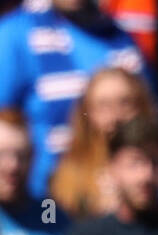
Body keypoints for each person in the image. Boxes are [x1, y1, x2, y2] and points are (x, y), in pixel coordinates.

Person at [0, 0, 148, 197]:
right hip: (44, 199)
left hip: (116, 197)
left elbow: (150, 119)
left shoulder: (119, 39)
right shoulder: (15, 34)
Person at [49, 66, 158, 219]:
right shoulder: (71, 174)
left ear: (142, 105)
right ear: (88, 114)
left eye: (125, 103)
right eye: (103, 106)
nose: (116, 117)